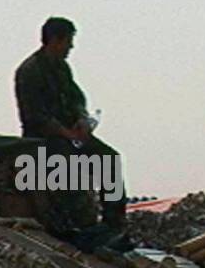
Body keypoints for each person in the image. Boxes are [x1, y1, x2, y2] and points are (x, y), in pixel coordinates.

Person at [14, 17, 127, 231]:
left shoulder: (62, 68)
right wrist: (66, 133)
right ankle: (71, 225)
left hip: (72, 135)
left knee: (110, 159)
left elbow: (76, 97)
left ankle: (114, 224)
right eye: (69, 41)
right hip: (43, 140)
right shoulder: (30, 71)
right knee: (69, 167)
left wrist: (82, 119)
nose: (71, 47)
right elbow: (34, 116)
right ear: (55, 40)